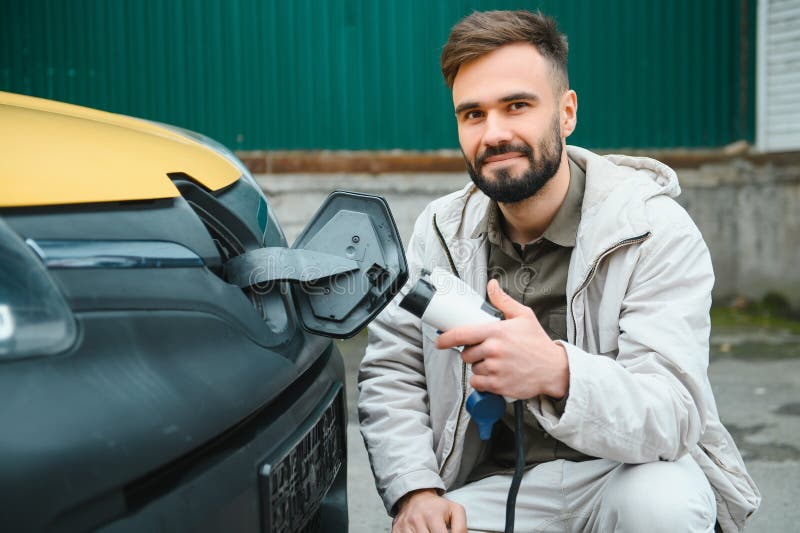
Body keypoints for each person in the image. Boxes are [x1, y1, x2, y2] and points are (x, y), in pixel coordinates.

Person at [358, 10, 760, 533]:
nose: (494, 133)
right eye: (473, 114)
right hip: (496, 485)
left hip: (625, 474)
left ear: (566, 113)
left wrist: (556, 371)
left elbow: (674, 413)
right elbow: (394, 370)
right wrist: (416, 490)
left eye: (517, 106)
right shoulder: (438, 231)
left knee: (662, 507)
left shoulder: (651, 228)